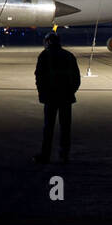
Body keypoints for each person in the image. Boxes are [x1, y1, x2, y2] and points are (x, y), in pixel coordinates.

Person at [33, 32, 80, 163]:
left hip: (51, 97)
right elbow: (77, 78)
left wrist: (42, 94)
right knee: (65, 127)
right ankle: (64, 155)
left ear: (47, 42)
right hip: (66, 97)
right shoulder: (69, 55)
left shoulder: (45, 55)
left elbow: (39, 77)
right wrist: (71, 91)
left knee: (48, 127)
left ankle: (45, 154)